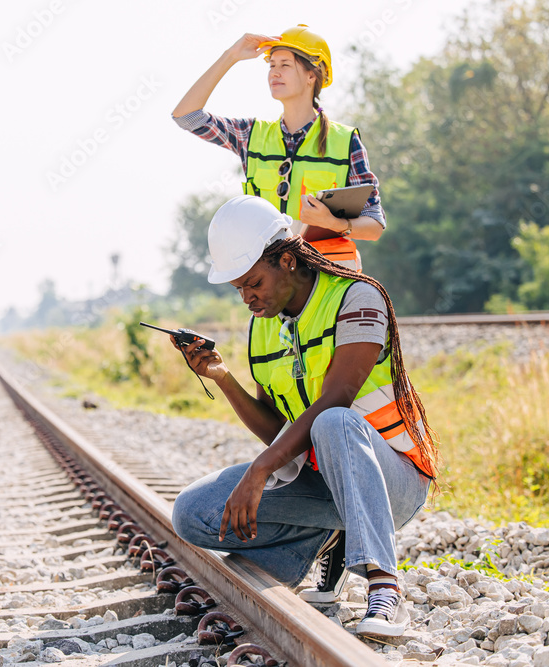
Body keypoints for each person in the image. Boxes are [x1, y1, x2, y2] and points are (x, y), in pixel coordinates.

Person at [169, 196, 438, 637]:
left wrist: (260, 470)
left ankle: (385, 587)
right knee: (192, 512)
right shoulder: (263, 327)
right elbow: (278, 431)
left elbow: (337, 397)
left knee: (333, 421)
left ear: (289, 260)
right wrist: (223, 378)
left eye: (253, 282)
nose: (247, 297)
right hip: (324, 484)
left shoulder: (356, 297)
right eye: (239, 289)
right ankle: (309, 551)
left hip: (395, 483)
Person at [172, 25, 386, 271]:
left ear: (311, 75)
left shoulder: (346, 142)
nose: (275, 72)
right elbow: (186, 116)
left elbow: (374, 225)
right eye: (271, 65)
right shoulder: (251, 135)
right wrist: (231, 56)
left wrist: (334, 223)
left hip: (329, 285)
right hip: (271, 287)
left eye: (285, 65)